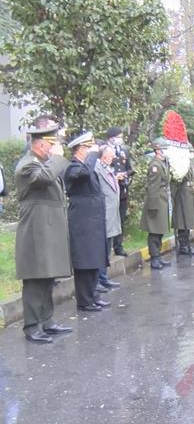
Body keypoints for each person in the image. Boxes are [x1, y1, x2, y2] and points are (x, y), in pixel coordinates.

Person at [14, 115, 73, 343]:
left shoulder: (41, 162)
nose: (53, 148)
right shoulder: (27, 165)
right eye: (50, 144)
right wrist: (57, 158)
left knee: (48, 278)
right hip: (36, 230)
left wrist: (54, 159)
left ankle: (48, 320)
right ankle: (32, 326)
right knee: (35, 279)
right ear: (39, 144)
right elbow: (46, 178)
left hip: (47, 229)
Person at [63, 131, 110, 312]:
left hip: (93, 222)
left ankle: (93, 296)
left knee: (94, 259)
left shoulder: (86, 166)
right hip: (82, 222)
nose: (93, 152)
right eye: (89, 148)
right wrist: (92, 156)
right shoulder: (73, 167)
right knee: (84, 262)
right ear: (81, 149)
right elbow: (82, 175)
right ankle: (84, 300)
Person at [140, 138, 172, 270]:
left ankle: (158, 256)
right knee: (154, 232)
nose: (166, 151)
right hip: (156, 201)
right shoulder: (155, 166)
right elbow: (153, 188)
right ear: (157, 150)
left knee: (160, 231)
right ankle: (154, 258)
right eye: (164, 149)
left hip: (161, 200)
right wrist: (152, 206)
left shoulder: (162, 163)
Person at [94, 144, 122, 291]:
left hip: (111, 213)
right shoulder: (97, 169)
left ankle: (104, 277)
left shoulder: (107, 169)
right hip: (104, 213)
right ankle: (99, 279)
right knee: (102, 248)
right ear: (103, 156)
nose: (113, 159)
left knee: (108, 247)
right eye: (111, 156)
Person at [106, 127, 133, 257]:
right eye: (118, 137)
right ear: (111, 138)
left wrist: (125, 175)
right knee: (110, 218)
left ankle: (118, 246)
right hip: (109, 189)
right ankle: (108, 247)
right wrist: (115, 176)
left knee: (121, 219)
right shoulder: (104, 151)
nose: (120, 140)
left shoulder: (124, 151)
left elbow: (130, 168)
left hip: (122, 190)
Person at [171, 148, 194, 255]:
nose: (191, 154)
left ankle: (186, 243)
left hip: (189, 195)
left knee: (188, 220)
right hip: (182, 195)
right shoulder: (180, 164)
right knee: (182, 220)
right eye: (189, 151)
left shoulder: (189, 164)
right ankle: (183, 245)